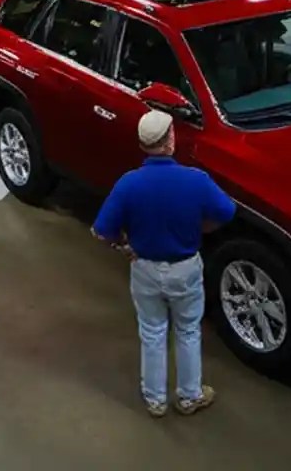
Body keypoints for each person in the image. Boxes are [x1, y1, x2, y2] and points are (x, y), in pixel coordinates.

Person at [92, 110, 236, 418]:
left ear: (144, 145)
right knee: (187, 331)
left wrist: (125, 247)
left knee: (152, 332)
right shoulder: (195, 181)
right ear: (170, 140)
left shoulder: (129, 184)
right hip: (185, 268)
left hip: (144, 268)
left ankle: (155, 400)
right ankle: (189, 396)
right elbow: (227, 212)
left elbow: (101, 231)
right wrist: (201, 228)